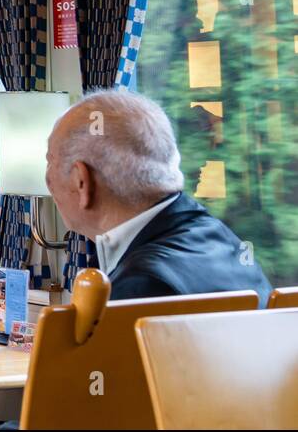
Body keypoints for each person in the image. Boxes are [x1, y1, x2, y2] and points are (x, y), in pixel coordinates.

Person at [45, 87, 272, 305]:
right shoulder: (224, 241)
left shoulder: (139, 289)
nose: (48, 181)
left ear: (81, 181)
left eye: (50, 161)